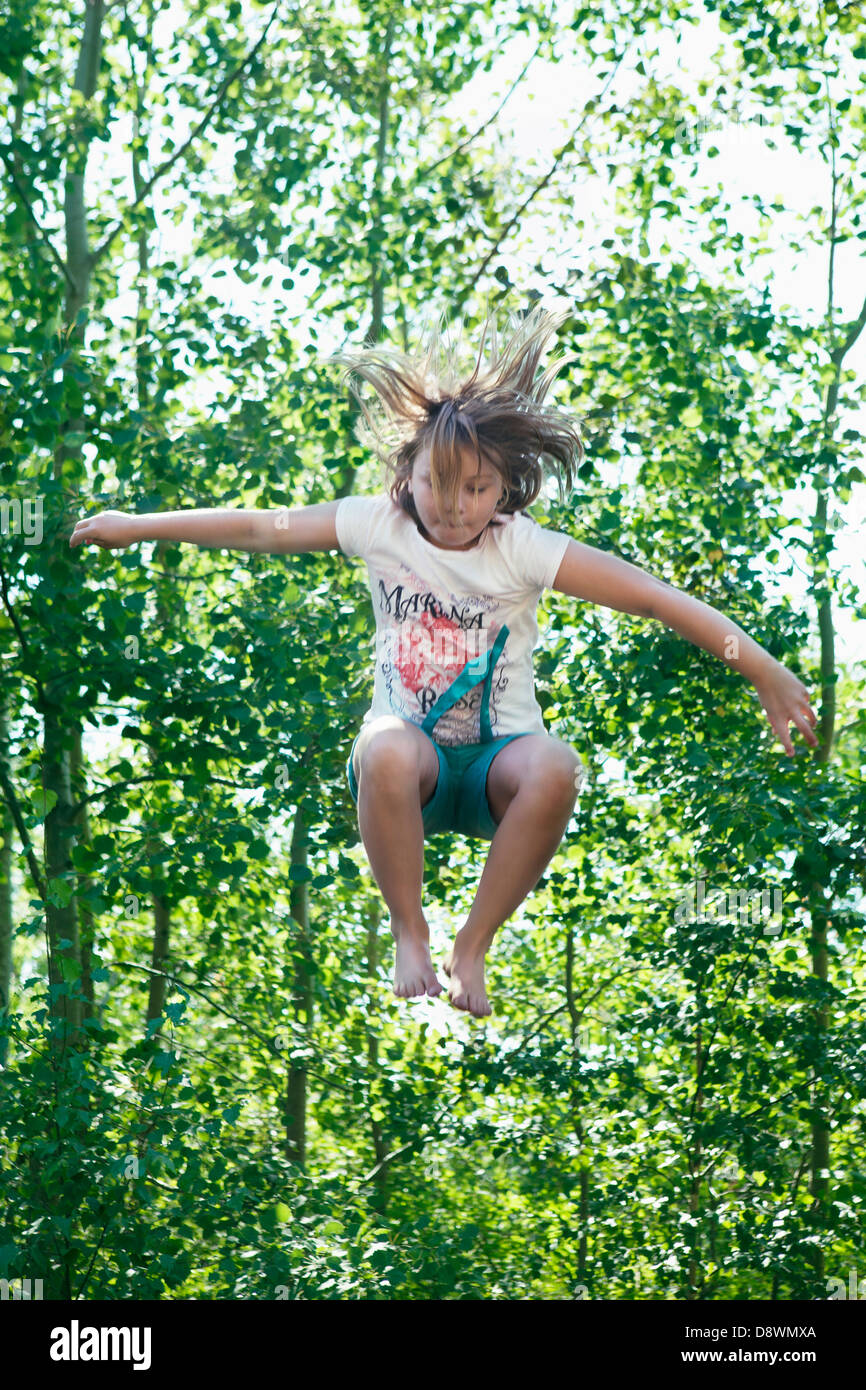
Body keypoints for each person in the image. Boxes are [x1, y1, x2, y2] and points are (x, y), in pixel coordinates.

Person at [69, 304, 819, 1020]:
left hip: (498, 767)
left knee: (556, 764)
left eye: (476, 488)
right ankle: (410, 931)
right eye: (434, 481)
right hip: (414, 770)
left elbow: (653, 598)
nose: (452, 505)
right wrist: (139, 527)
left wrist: (761, 668)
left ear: (506, 488)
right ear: (410, 469)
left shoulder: (519, 545)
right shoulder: (377, 525)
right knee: (386, 745)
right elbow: (262, 529)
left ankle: (473, 947)